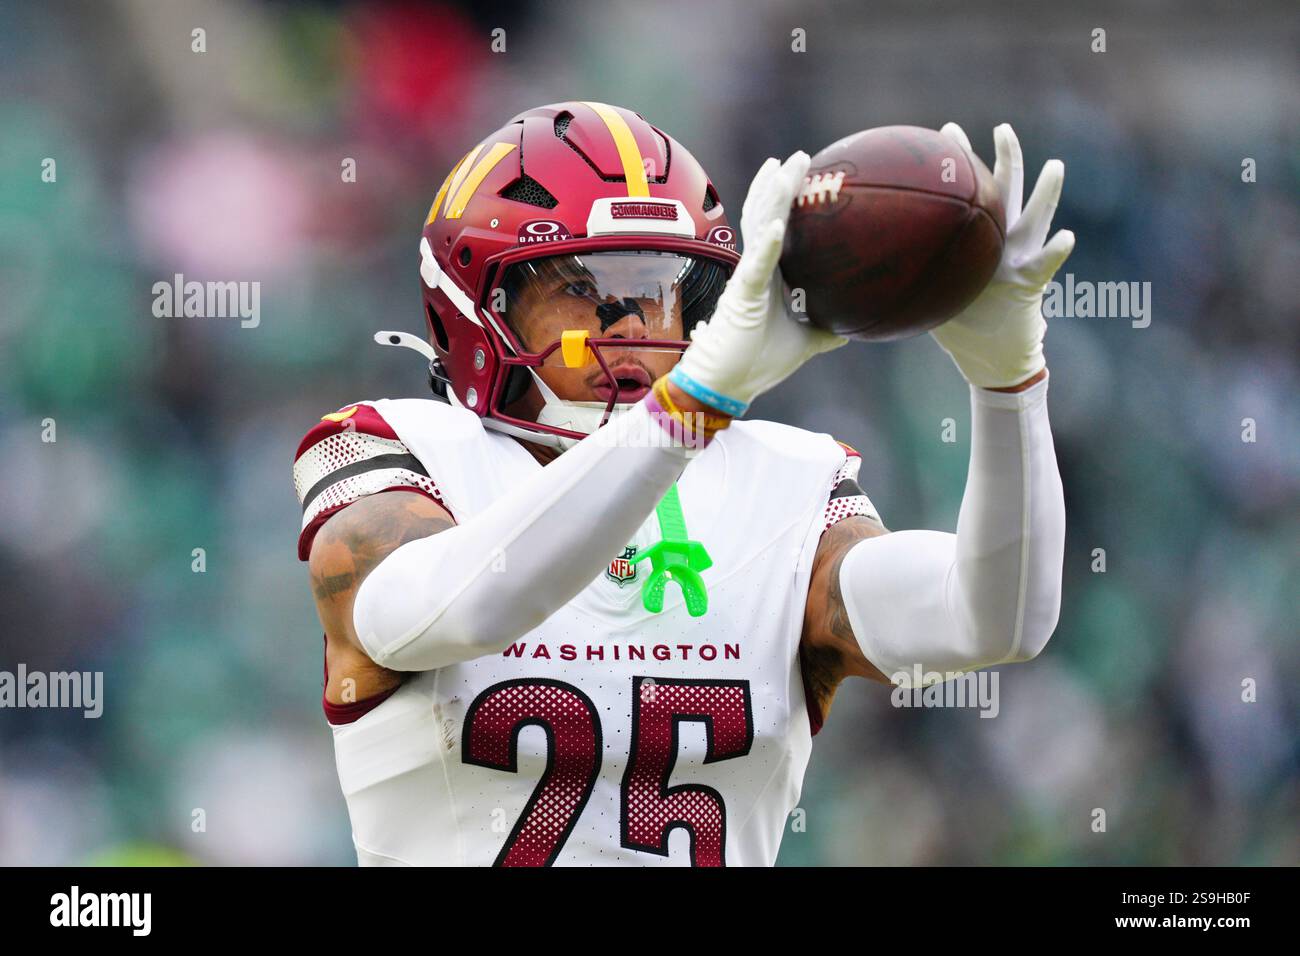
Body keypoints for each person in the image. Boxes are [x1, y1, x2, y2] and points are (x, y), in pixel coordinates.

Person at [292, 102, 1072, 866]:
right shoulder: (391, 450)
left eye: (659, 286)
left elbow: (993, 620)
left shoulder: (786, 481)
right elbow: (454, 609)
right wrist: (691, 407)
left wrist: (1008, 382)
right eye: (583, 286)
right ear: (478, 307)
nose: (631, 322)